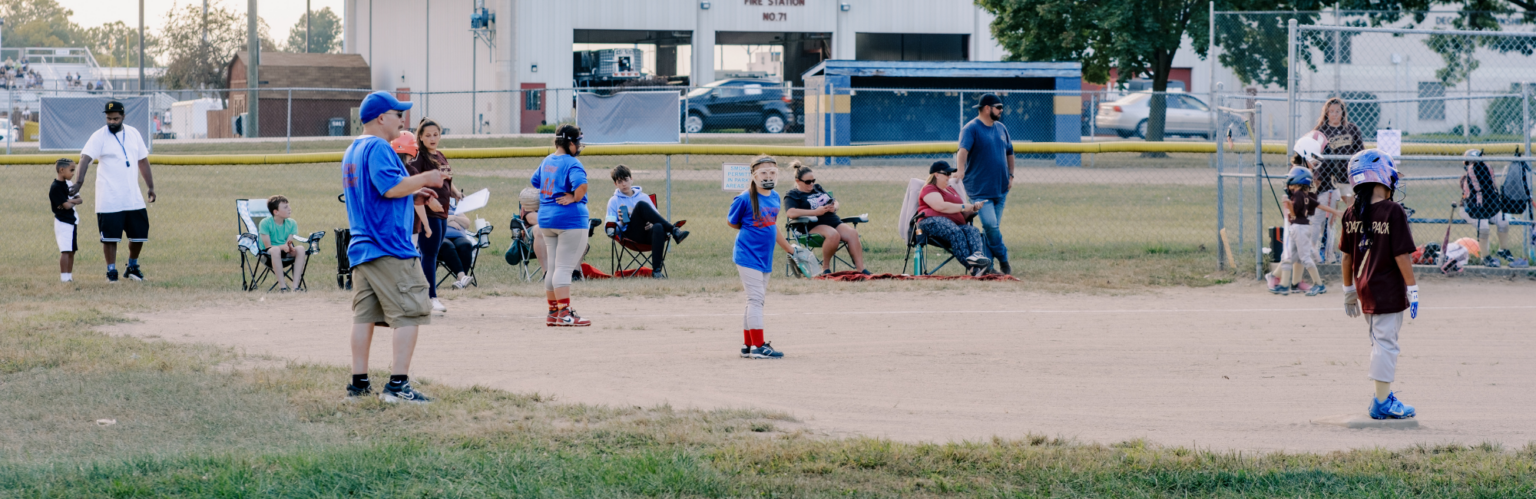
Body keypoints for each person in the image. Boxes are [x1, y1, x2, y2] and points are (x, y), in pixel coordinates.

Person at [341, 91, 445, 404]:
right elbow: (389, 188)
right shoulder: (379, 147)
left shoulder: (353, 150)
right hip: (389, 246)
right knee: (411, 312)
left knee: (364, 316)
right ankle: (398, 386)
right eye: (397, 114)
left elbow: (376, 192)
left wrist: (413, 194)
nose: (402, 120)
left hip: (363, 246)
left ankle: (359, 385)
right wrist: (426, 177)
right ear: (380, 118)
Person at [1339, 149, 1419, 421]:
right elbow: (1402, 255)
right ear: (1383, 177)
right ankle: (1382, 402)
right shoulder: (1392, 210)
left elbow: (1347, 257)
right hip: (1387, 289)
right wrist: (1413, 288)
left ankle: (1382, 396)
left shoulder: (1351, 213)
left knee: (1379, 341)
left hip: (1365, 289)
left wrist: (1348, 291)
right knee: (1386, 345)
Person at [71, 100, 155, 283]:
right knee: (110, 238)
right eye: (109, 119)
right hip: (109, 197)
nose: (111, 122)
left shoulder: (133, 133)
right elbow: (85, 158)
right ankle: (111, 271)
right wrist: (79, 183)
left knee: (139, 235)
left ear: (123, 117)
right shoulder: (99, 136)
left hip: (132, 197)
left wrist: (150, 187)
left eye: (115, 119)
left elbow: (142, 160)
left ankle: (132, 266)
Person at [728, 155, 796, 359]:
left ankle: (748, 346)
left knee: (754, 300)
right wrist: (752, 228)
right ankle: (759, 346)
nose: (768, 176)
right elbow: (732, 222)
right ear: (754, 175)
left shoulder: (775, 196)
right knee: (756, 299)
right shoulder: (744, 198)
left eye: (772, 172)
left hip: (765, 255)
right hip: (747, 253)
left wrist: (790, 249)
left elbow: (772, 226)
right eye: (763, 172)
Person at [531, 125, 593, 327]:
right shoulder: (572, 162)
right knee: (564, 268)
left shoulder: (548, 160)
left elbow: (535, 181)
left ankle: (553, 312)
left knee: (553, 268)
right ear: (570, 143)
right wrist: (574, 197)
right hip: (570, 220)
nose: (579, 146)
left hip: (546, 218)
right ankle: (565, 313)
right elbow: (581, 185)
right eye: (577, 142)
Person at [955, 93, 1015, 275]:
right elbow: (962, 151)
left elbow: (1010, 152)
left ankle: (988, 268)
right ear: (987, 108)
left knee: (990, 229)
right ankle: (1003, 259)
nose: (1001, 110)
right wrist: (960, 170)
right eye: (999, 107)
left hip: (1000, 189)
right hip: (980, 190)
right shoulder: (971, 128)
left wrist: (1011, 175)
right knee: (990, 226)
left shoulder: (1001, 128)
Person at [782, 161, 869, 275]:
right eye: (808, 182)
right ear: (798, 181)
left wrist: (834, 207)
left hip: (832, 221)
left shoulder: (817, 188)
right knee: (833, 234)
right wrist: (815, 212)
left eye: (813, 180)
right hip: (811, 225)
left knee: (852, 233)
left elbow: (835, 201)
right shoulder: (792, 194)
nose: (811, 184)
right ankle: (826, 269)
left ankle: (861, 269)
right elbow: (791, 212)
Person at [605, 164, 688, 277]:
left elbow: (656, 218)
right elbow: (609, 229)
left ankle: (656, 271)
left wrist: (651, 224)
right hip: (629, 235)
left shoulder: (643, 196)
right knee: (640, 206)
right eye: (620, 181)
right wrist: (622, 222)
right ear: (615, 184)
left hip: (648, 234)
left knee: (658, 226)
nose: (623, 184)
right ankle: (674, 230)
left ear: (631, 179)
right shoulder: (614, 201)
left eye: (626, 180)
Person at [410, 119, 459, 312]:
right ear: (420, 137)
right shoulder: (419, 157)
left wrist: (456, 193)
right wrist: (429, 200)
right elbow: (414, 184)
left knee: (433, 254)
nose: (432, 138)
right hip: (428, 212)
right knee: (429, 254)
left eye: (436, 134)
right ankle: (430, 298)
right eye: (428, 135)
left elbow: (447, 180)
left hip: (443, 212)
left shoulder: (440, 155)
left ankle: (425, 294)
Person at [1274, 167, 1340, 297]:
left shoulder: (1298, 195)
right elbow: (1319, 205)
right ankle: (1284, 285)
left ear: (1297, 181)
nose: (1288, 183)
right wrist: (1336, 212)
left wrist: (1287, 204)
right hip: (1299, 227)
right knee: (1287, 256)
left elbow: (1294, 214)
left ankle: (1319, 284)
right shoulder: (1305, 195)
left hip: (1299, 228)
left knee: (1304, 258)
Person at [918, 161, 992, 276]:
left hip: (955, 224)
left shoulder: (951, 189)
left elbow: (961, 212)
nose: (949, 176)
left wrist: (973, 208)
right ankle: (973, 268)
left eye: (950, 174)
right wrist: (964, 206)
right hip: (931, 221)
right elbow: (940, 206)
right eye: (946, 173)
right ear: (936, 175)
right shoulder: (929, 188)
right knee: (955, 231)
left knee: (972, 230)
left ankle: (977, 259)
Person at [1312, 98, 1364, 264]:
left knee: (1353, 212)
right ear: (1326, 113)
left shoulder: (1351, 129)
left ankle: (1355, 247)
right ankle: (1328, 252)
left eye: (1338, 111)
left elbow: (1360, 151)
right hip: (1330, 181)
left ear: (1343, 112)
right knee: (1330, 217)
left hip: (1348, 179)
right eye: (1331, 111)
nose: (1335, 114)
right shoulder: (1321, 131)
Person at [1458, 149, 1513, 267]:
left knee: (1503, 222)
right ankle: (1485, 257)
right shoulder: (1465, 178)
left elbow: (1490, 193)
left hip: (1487, 207)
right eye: (1471, 162)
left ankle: (1503, 249)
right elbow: (1473, 200)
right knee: (1483, 226)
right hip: (1470, 210)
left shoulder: (1486, 173)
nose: (1477, 166)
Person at [258, 195, 308, 292]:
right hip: (268, 255)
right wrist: (282, 247)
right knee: (275, 250)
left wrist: (289, 248)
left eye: (288, 206)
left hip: (284, 253)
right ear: (276, 212)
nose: (289, 209)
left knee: (301, 249)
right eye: (285, 207)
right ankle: (283, 287)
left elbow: (288, 243)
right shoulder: (265, 223)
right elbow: (268, 246)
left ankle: (295, 286)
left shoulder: (292, 223)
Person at [50, 159, 82, 283]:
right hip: (63, 222)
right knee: (65, 250)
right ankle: (64, 278)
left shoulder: (69, 184)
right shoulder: (56, 187)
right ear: (61, 170)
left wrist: (69, 200)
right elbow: (66, 206)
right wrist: (70, 202)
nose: (73, 173)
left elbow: (79, 199)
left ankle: (69, 276)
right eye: (71, 170)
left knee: (72, 251)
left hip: (72, 220)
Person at [438, 211, 477, 289]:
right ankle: (462, 277)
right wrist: (447, 222)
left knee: (466, 245)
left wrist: (453, 217)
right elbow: (432, 222)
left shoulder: (455, 209)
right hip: (441, 237)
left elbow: (467, 224)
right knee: (447, 245)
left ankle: (460, 282)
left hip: (459, 237)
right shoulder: (433, 206)